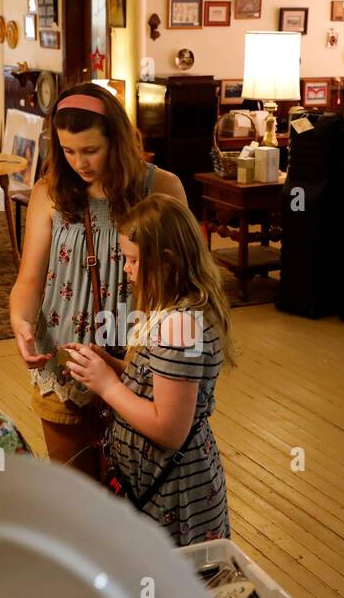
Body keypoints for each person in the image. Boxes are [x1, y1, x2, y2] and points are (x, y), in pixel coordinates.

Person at [9, 83, 188, 479]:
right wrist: (21, 322)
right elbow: (29, 280)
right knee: (75, 496)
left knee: (133, 495)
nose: (79, 163)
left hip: (135, 359)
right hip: (65, 356)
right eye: (68, 151)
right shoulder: (49, 192)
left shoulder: (162, 188)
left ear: (118, 140)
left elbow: (186, 284)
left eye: (91, 150)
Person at [63, 194, 234, 546]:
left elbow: (169, 428)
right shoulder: (176, 313)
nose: (126, 269)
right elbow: (161, 385)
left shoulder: (180, 327)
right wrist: (115, 368)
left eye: (133, 260)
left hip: (174, 495)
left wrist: (108, 386)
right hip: (161, 487)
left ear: (167, 262)